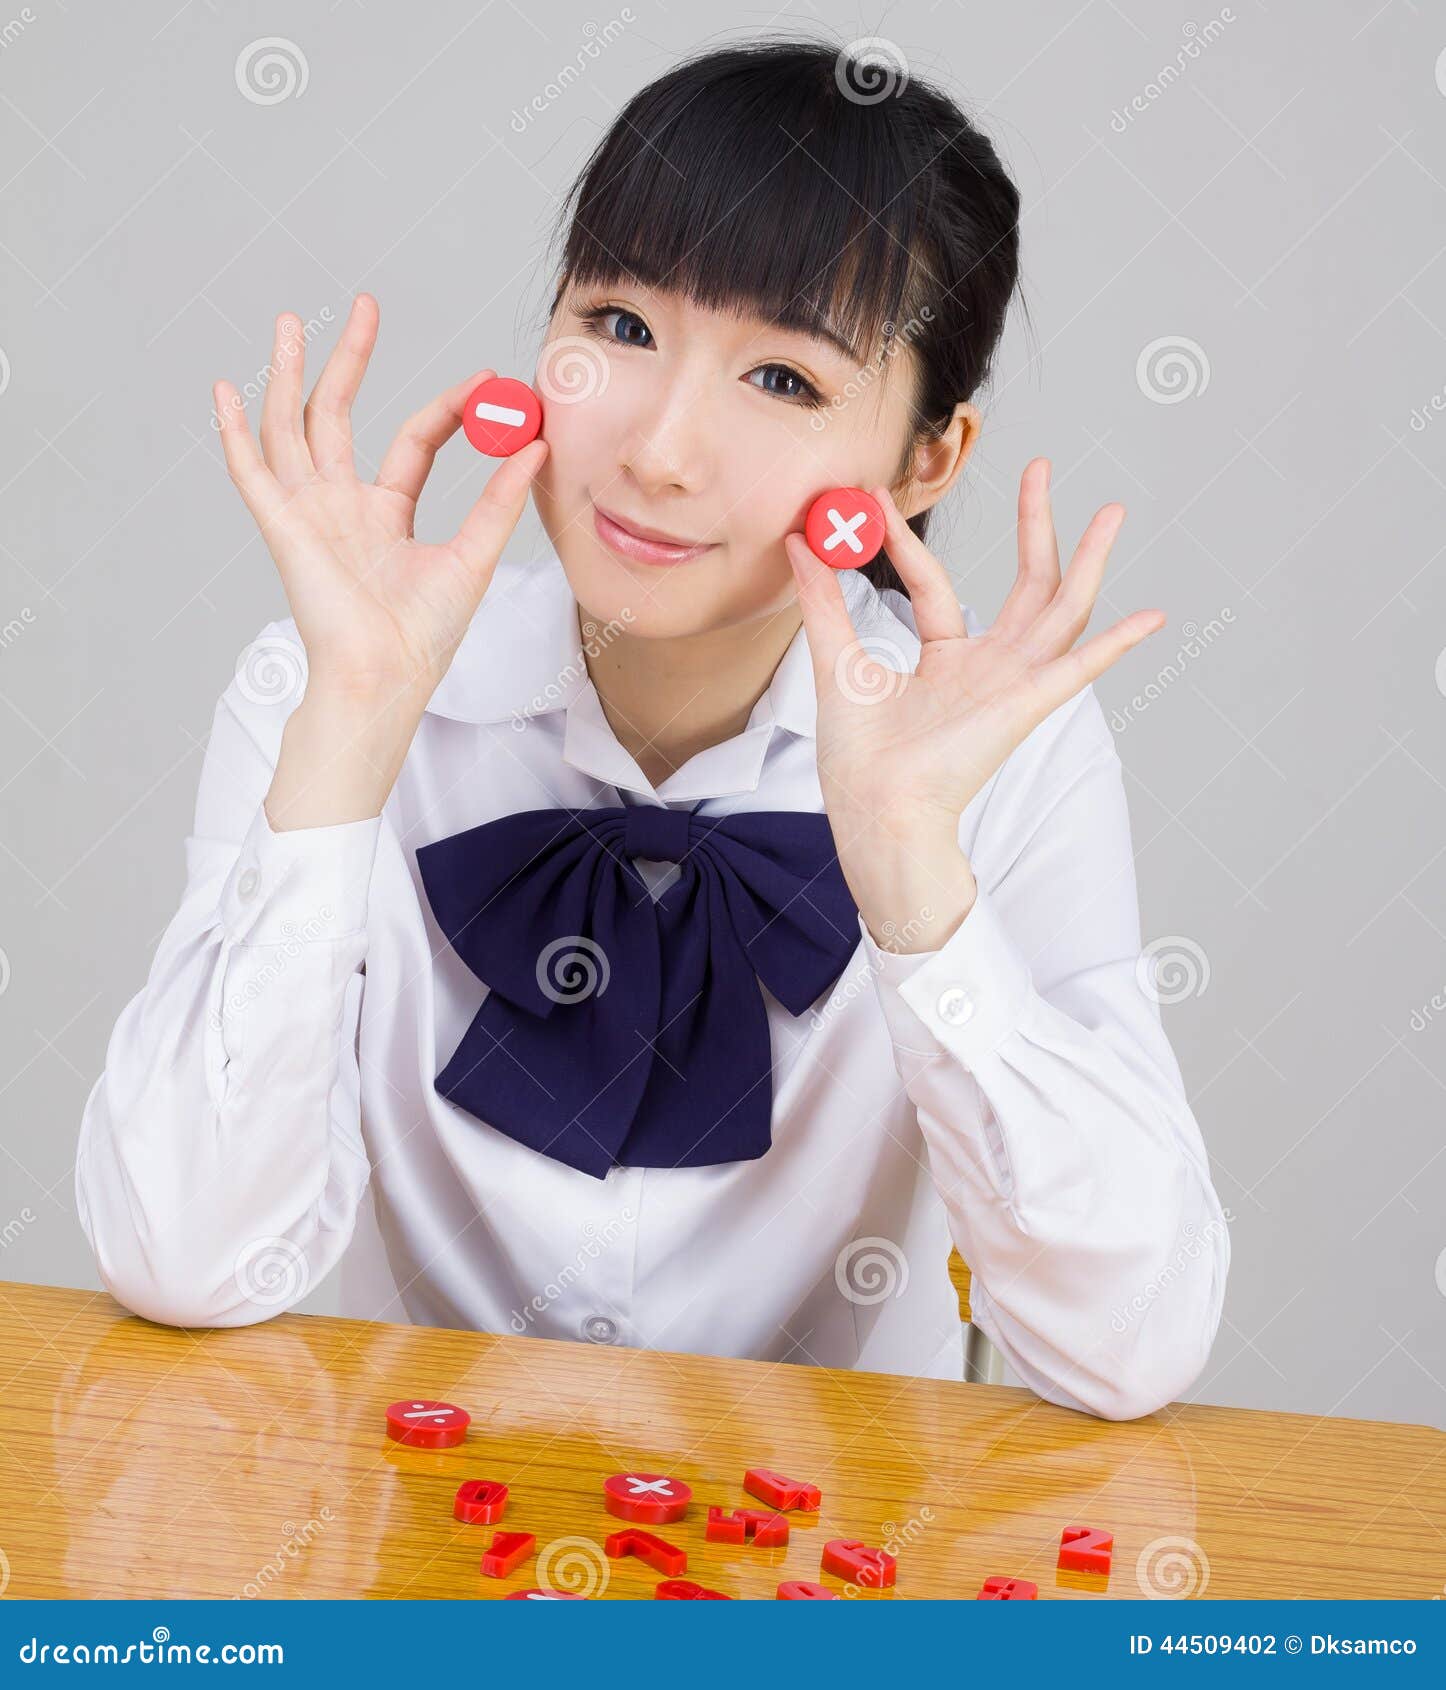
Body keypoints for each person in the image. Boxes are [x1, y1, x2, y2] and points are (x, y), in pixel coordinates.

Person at [76, 37, 1228, 1420]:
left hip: (830, 1596)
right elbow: (179, 1254)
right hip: (406, 1566)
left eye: (783, 380)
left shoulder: (1004, 753)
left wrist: (918, 885)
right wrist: (351, 737)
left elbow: (1127, 1344)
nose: (659, 449)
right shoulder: (323, 683)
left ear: (925, 462)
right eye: (618, 329)